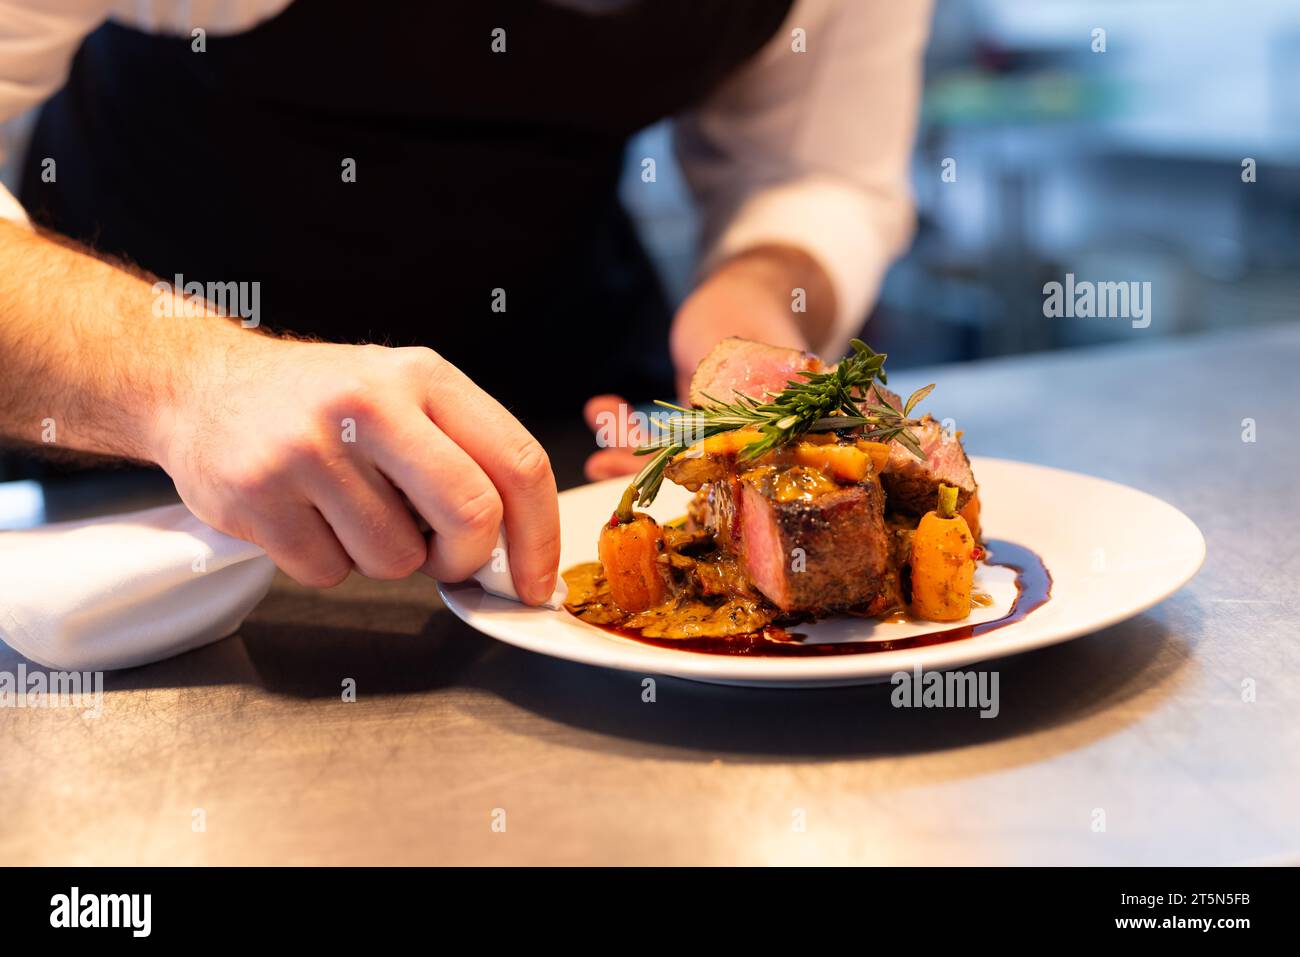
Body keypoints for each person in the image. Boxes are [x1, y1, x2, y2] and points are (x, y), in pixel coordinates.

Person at [0, 0, 930, 603]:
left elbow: (817, 174)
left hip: (569, 422)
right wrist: (188, 384)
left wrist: (755, 299)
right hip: (127, 455)